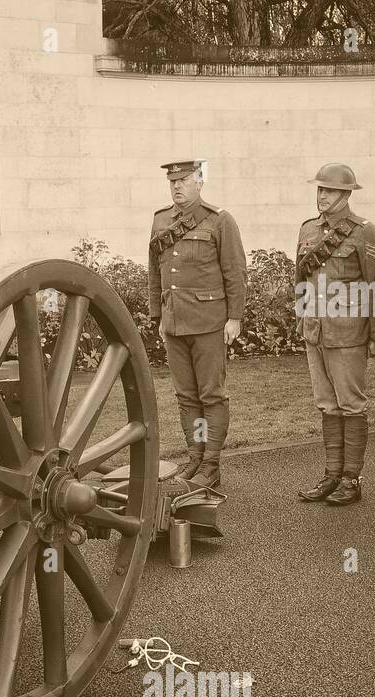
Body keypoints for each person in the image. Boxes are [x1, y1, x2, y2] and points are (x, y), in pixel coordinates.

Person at [148, 159, 246, 489]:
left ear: (199, 182)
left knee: (211, 396)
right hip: (175, 323)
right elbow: (155, 272)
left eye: (184, 180)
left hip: (208, 323)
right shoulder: (161, 219)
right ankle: (196, 456)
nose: (177, 186)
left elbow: (234, 272)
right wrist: (158, 317)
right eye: (172, 181)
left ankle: (211, 464)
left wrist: (234, 317)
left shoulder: (220, 220)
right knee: (187, 397)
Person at [294, 163, 375, 506]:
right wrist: (302, 319)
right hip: (315, 331)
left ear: (346, 194)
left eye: (328, 191)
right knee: (327, 404)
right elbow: (300, 280)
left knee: (351, 405)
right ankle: (332, 474)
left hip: (348, 333)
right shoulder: (307, 230)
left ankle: (352, 478)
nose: (321, 196)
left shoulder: (365, 233)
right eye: (319, 190)